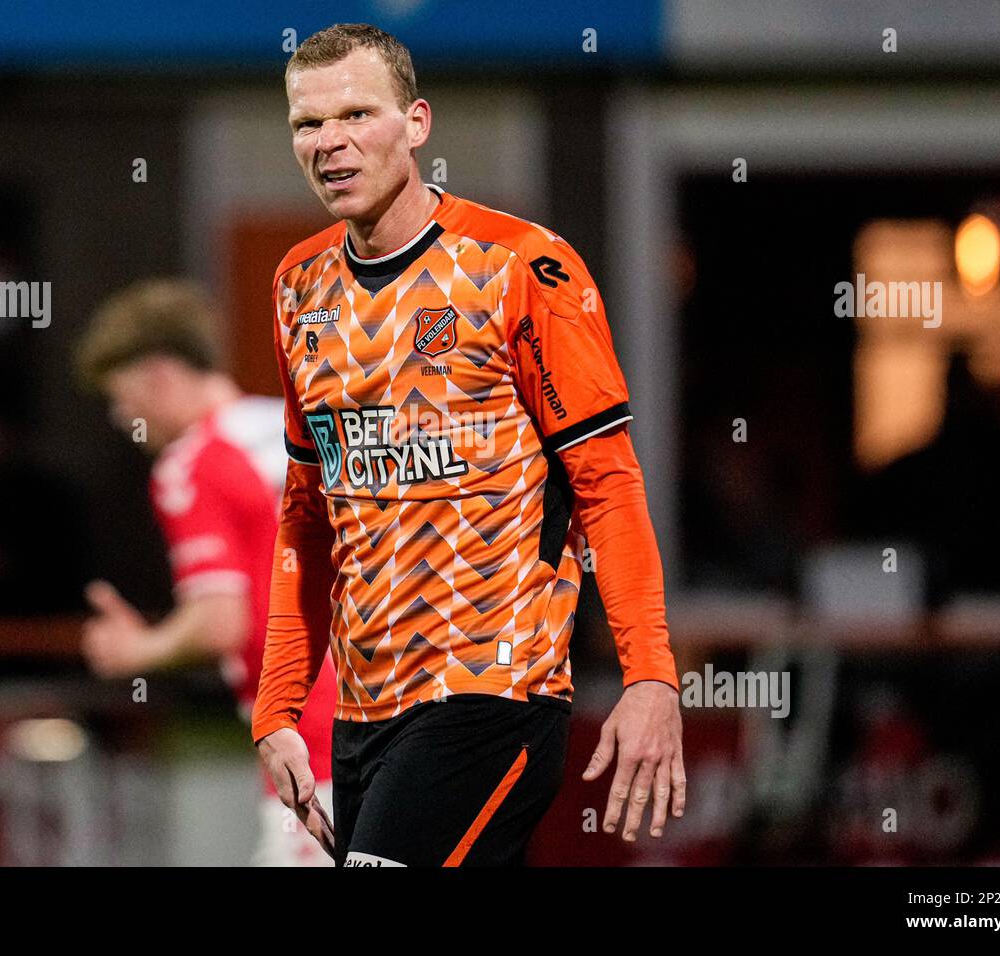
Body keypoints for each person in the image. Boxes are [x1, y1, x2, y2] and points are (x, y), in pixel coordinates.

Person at [252, 23, 686, 867]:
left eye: (356, 115)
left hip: (489, 690)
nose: (330, 143)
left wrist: (651, 674)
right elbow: (308, 515)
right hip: (364, 712)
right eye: (308, 124)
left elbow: (607, 482)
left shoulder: (520, 266)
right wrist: (278, 710)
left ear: (417, 123)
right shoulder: (297, 285)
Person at [74, 279, 337, 866]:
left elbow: (222, 621)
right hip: (409, 724)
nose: (121, 417)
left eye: (121, 396)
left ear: (160, 375)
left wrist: (140, 649)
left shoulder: (192, 463)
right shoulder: (303, 429)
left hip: (316, 748)